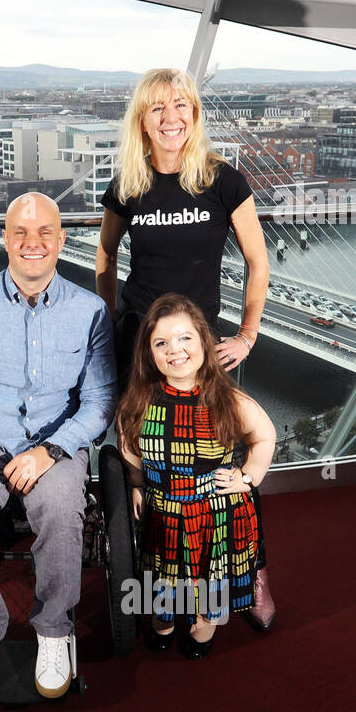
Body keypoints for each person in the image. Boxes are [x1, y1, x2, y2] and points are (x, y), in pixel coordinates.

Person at [94, 66, 277, 630]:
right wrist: (112, 322)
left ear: (194, 116)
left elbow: (257, 262)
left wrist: (247, 334)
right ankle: (160, 582)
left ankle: (253, 571)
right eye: (158, 108)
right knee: (149, 465)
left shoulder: (223, 180)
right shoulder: (129, 184)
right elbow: (103, 259)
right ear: (143, 121)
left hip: (202, 347)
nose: (171, 117)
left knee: (221, 460)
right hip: (143, 344)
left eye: (181, 106)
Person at [0, 193, 116, 708]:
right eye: (21, 233)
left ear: (62, 239)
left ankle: (54, 630)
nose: (34, 243)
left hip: (56, 444)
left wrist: (52, 449)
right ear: (5, 240)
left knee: (58, 504)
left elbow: (99, 402)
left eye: (45, 232)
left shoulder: (91, 311)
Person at [117, 293, 276, 658]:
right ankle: (165, 620)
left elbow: (265, 435)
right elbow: (128, 445)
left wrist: (247, 478)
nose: (176, 350)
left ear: (204, 342)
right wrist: (138, 484)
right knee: (163, 575)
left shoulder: (226, 399)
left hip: (215, 513)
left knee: (210, 576)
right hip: (164, 511)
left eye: (185, 338)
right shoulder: (140, 401)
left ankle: (204, 621)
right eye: (162, 343)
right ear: (150, 353)